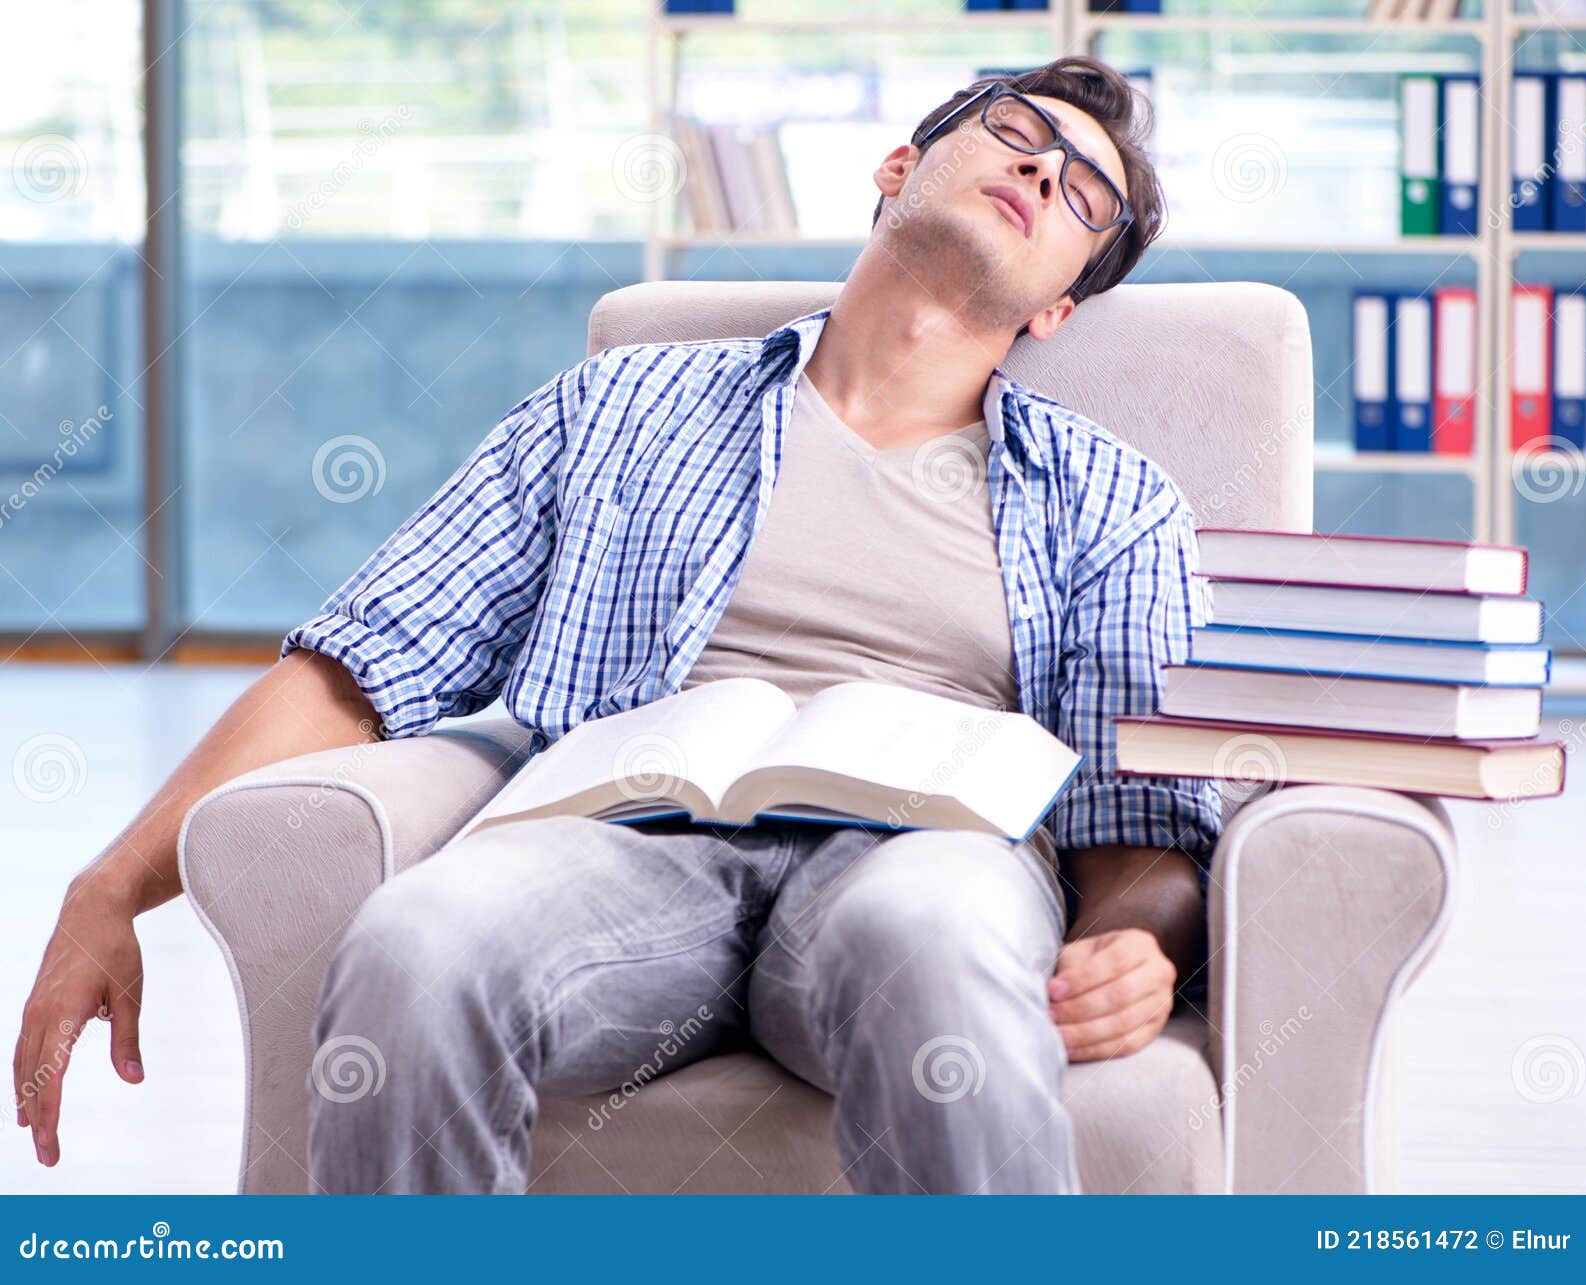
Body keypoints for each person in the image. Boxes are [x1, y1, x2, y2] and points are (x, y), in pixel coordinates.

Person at [15, 55, 1220, 1194]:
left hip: (922, 854)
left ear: (1060, 304)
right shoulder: (621, 406)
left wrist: (1134, 942)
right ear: (899, 168)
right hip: (626, 842)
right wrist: (109, 884)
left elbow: (1142, 820)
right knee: (420, 941)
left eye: (1083, 192)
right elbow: (363, 663)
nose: (1040, 173)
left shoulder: (1109, 497)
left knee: (929, 936)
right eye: (1016, 135)